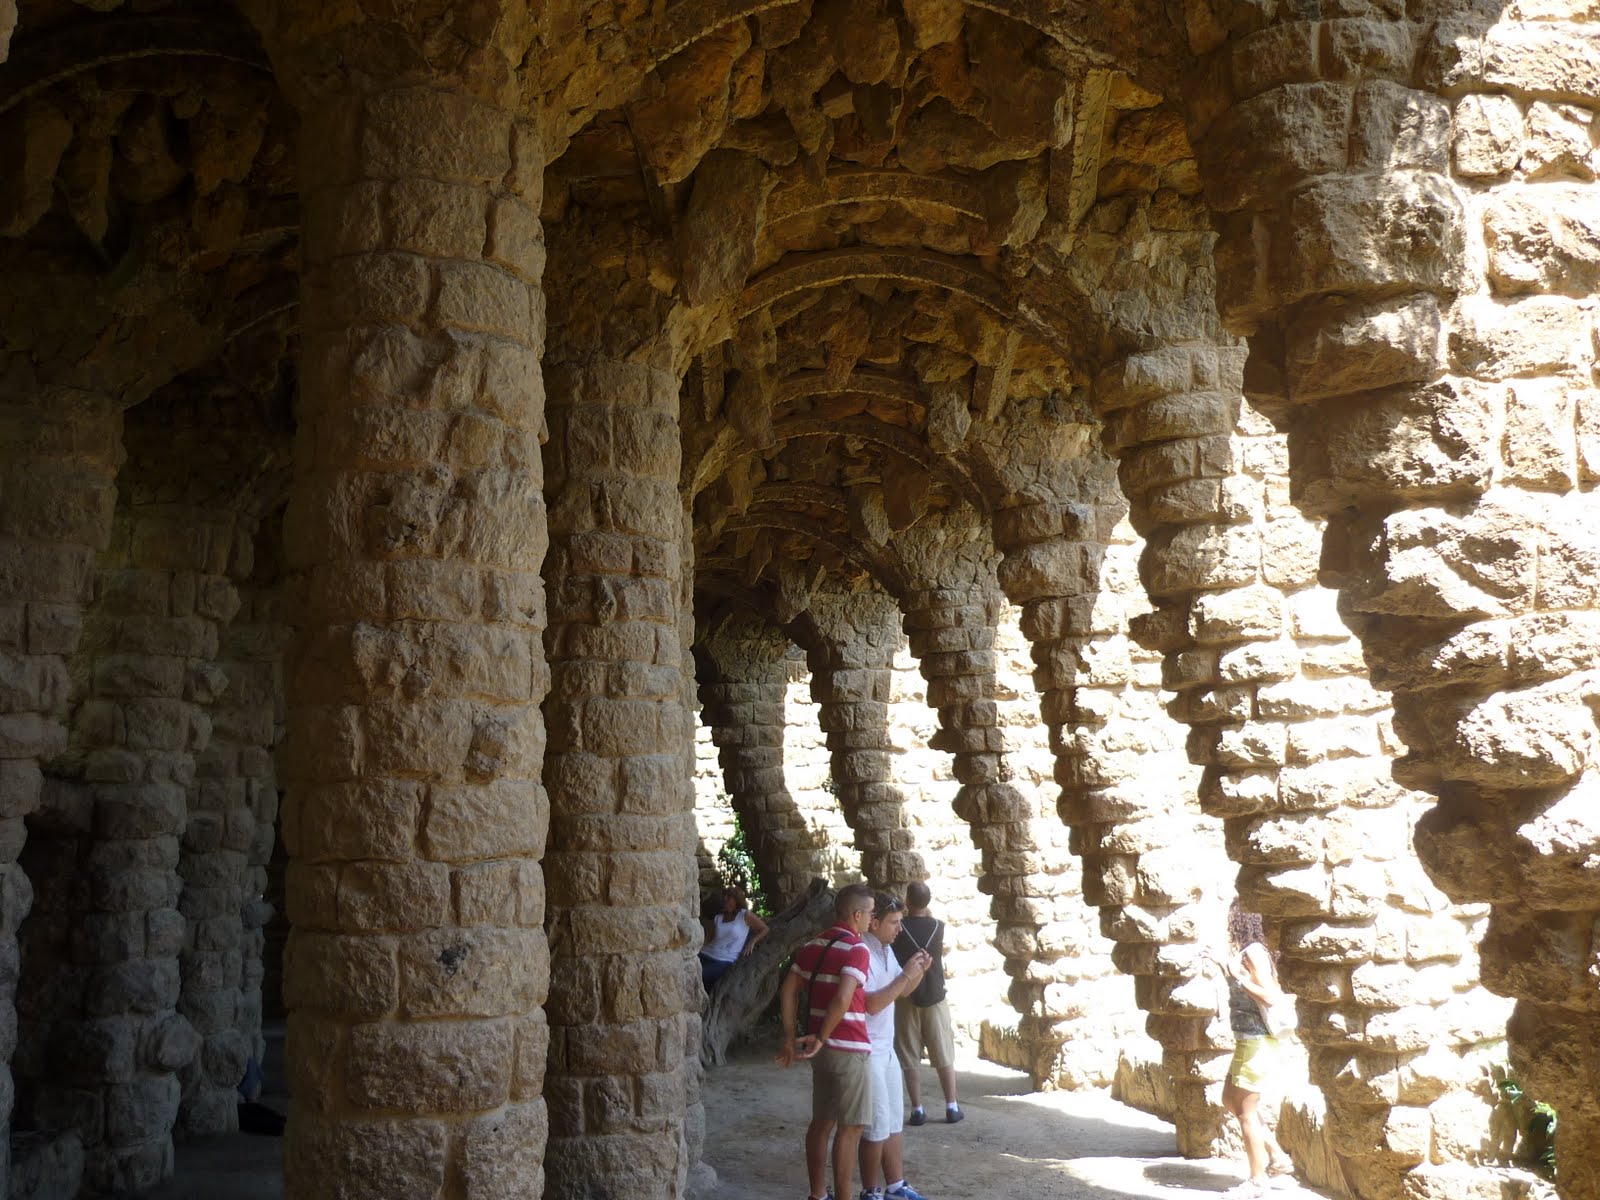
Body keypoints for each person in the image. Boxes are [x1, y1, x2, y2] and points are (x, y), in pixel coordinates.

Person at [777, 883, 877, 1200]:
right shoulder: (858, 950)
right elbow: (844, 997)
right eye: (871, 913)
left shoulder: (812, 946)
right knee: (852, 1128)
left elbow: (788, 991)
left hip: (821, 1051)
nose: (872, 920)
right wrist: (822, 1037)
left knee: (822, 1122)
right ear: (856, 914)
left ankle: (818, 1194)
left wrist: (793, 1037)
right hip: (848, 1047)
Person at [1220, 901, 1296, 1199]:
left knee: (1245, 1111)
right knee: (1230, 1099)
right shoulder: (1250, 952)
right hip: (1248, 1040)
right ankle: (1277, 1156)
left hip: (1257, 1041)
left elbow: (1270, 995)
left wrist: (1238, 977)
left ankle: (1257, 1180)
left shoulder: (1253, 951)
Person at [859, 891, 932, 1200]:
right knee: (875, 1126)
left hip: (885, 1048)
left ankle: (896, 1186)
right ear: (873, 923)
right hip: (868, 1051)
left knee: (892, 1121)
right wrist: (905, 976)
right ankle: (870, 1191)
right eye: (893, 922)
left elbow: (899, 992)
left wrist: (917, 973)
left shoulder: (885, 950)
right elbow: (872, 1004)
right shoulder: (862, 952)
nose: (899, 929)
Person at [891, 880, 962, 1125]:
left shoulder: (898, 928)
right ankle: (951, 1106)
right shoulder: (938, 927)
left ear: (907, 901)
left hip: (906, 994)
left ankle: (917, 1110)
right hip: (934, 995)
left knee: (909, 1054)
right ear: (928, 902)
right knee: (943, 1052)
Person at [701, 884, 769, 989]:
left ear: (737, 900)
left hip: (724, 960)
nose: (725, 899)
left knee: (701, 975)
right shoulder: (718, 918)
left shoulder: (745, 915)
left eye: (729, 897)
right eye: (725, 896)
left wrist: (752, 942)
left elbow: (765, 929)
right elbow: (709, 938)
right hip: (706, 953)